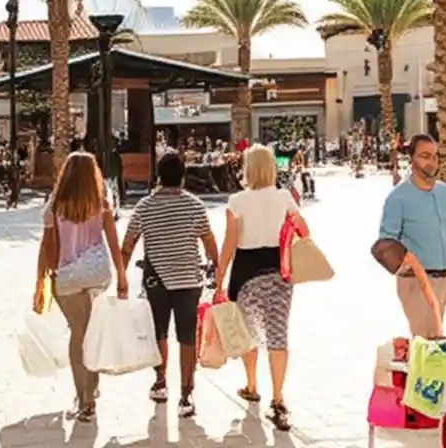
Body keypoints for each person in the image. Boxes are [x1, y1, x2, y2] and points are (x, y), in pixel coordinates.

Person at [214, 145, 308, 432]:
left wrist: (219, 278)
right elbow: (304, 230)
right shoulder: (284, 197)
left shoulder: (237, 201)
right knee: (278, 334)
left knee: (249, 333)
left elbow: (230, 242)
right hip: (279, 273)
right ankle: (278, 399)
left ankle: (252, 385)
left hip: (245, 273)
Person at [121, 151, 220, 419]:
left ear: (159, 176)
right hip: (189, 280)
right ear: (183, 177)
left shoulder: (144, 206)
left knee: (160, 334)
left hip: (157, 281)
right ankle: (187, 395)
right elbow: (209, 242)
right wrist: (218, 271)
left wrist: (121, 278)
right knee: (187, 336)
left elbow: (128, 244)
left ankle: (161, 382)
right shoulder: (195, 205)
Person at [34, 152, 128, 423]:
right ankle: (93, 388)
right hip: (97, 274)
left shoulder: (56, 204)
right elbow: (112, 240)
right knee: (93, 333)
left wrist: (39, 281)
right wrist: (122, 275)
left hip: (68, 277)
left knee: (78, 335)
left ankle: (84, 400)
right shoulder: (101, 202)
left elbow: (45, 245)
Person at [378, 133, 446, 338]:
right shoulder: (398, 197)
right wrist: (409, 270)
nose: (431, 162)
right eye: (425, 156)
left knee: (432, 342)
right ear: (412, 159)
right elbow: (386, 242)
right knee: (429, 343)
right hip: (417, 283)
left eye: (434, 156)